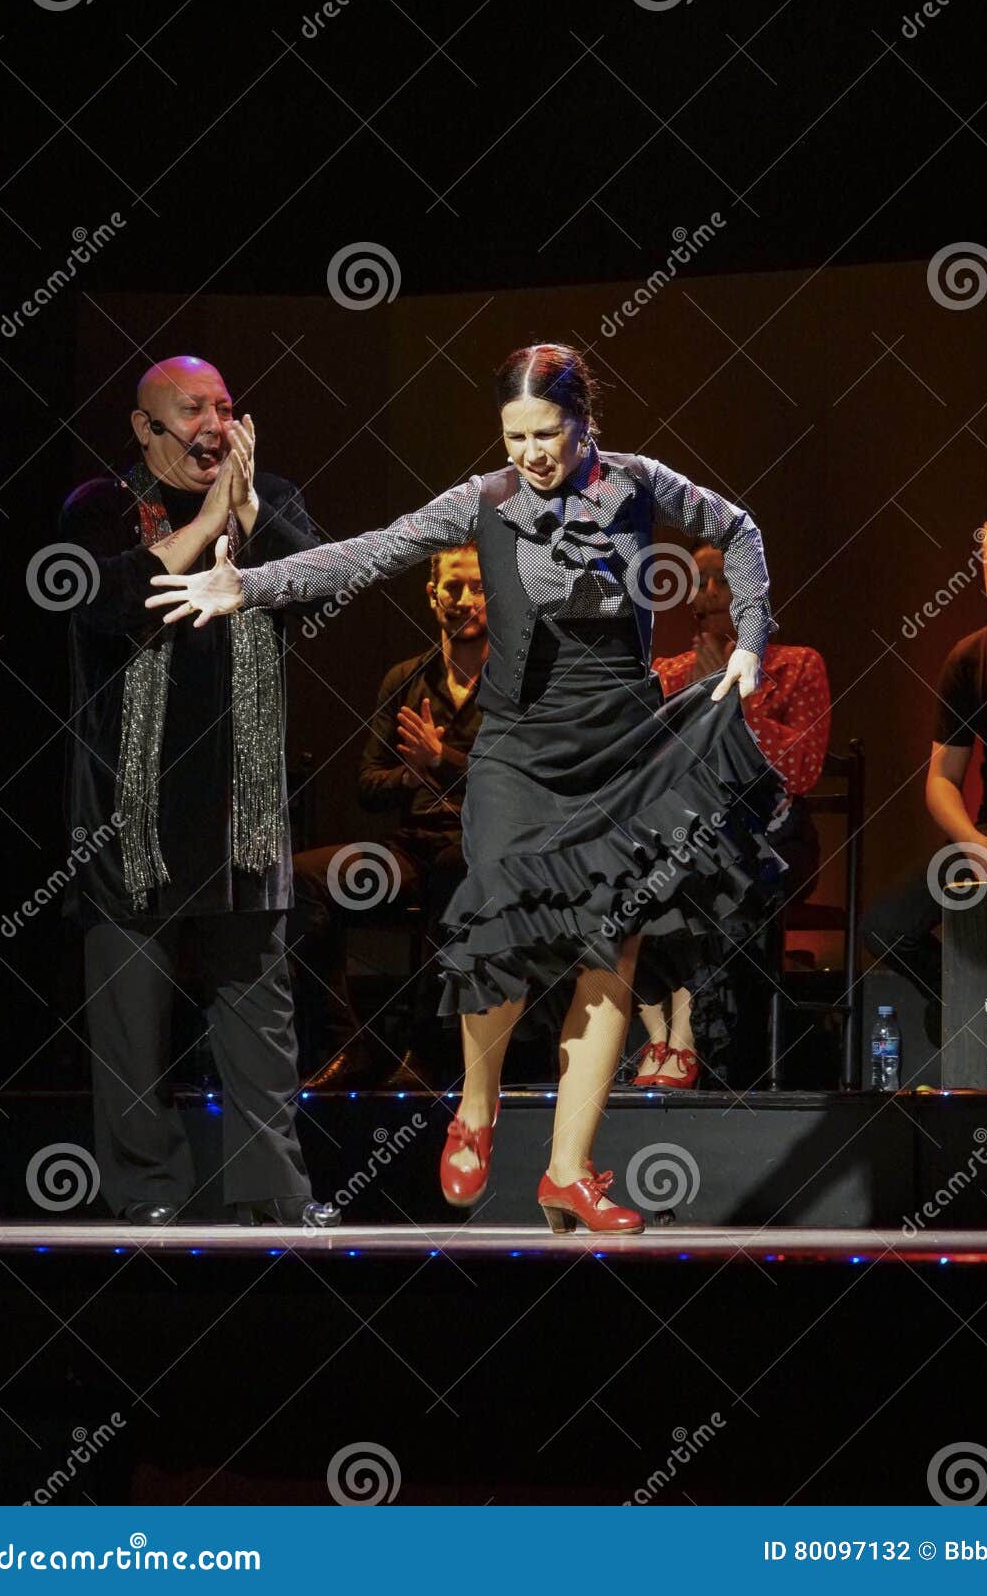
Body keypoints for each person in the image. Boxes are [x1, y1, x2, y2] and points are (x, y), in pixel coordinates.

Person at [146, 344, 787, 1235]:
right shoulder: (482, 501)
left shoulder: (638, 484)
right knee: (500, 926)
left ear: (584, 422)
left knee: (611, 947)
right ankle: (476, 1111)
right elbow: (371, 553)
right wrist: (249, 585)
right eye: (514, 436)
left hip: (620, 745)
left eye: (547, 434)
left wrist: (750, 636)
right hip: (518, 750)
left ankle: (567, 1172)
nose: (531, 453)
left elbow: (740, 528)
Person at [60, 354, 339, 1227]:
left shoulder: (270, 498)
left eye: (224, 407)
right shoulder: (98, 506)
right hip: (131, 820)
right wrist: (212, 520)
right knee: (133, 1031)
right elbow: (112, 601)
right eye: (191, 411)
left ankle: (275, 1196)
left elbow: (315, 586)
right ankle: (147, 1193)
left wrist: (245, 512)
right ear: (144, 428)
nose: (214, 426)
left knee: (260, 1024)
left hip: (239, 817)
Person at [633, 540, 831, 1089]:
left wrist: (730, 702)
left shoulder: (797, 665)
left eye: (721, 580)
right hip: (682, 833)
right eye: (698, 583)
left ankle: (693, 1045)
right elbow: (645, 767)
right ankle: (660, 1037)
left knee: (706, 872)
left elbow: (801, 770)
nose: (706, 595)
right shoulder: (667, 673)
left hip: (773, 840)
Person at [291, 544, 486, 1089]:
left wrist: (441, 761)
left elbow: (518, 782)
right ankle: (348, 1044)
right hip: (411, 850)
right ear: (432, 595)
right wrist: (407, 777)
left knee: (457, 866)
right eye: (453, 587)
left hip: (482, 850)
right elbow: (367, 785)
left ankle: (426, 1052)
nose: (465, 599)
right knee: (304, 879)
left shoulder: (516, 680)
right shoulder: (405, 677)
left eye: (478, 587)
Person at [861, 498, 987, 1027]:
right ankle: (975, 1005)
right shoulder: (969, 658)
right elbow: (943, 779)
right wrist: (973, 843)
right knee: (885, 926)